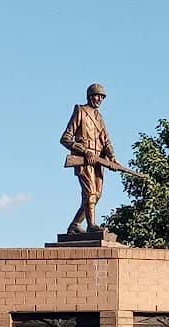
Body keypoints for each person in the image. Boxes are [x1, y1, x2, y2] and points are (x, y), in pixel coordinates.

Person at [60, 83, 116, 234]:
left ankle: (75, 225)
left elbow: (106, 140)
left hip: (99, 160)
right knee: (90, 193)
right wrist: (84, 151)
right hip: (84, 159)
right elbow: (65, 138)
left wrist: (112, 158)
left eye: (102, 97)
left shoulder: (99, 117)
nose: (99, 99)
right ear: (90, 96)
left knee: (96, 196)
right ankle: (91, 226)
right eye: (97, 96)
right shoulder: (81, 111)